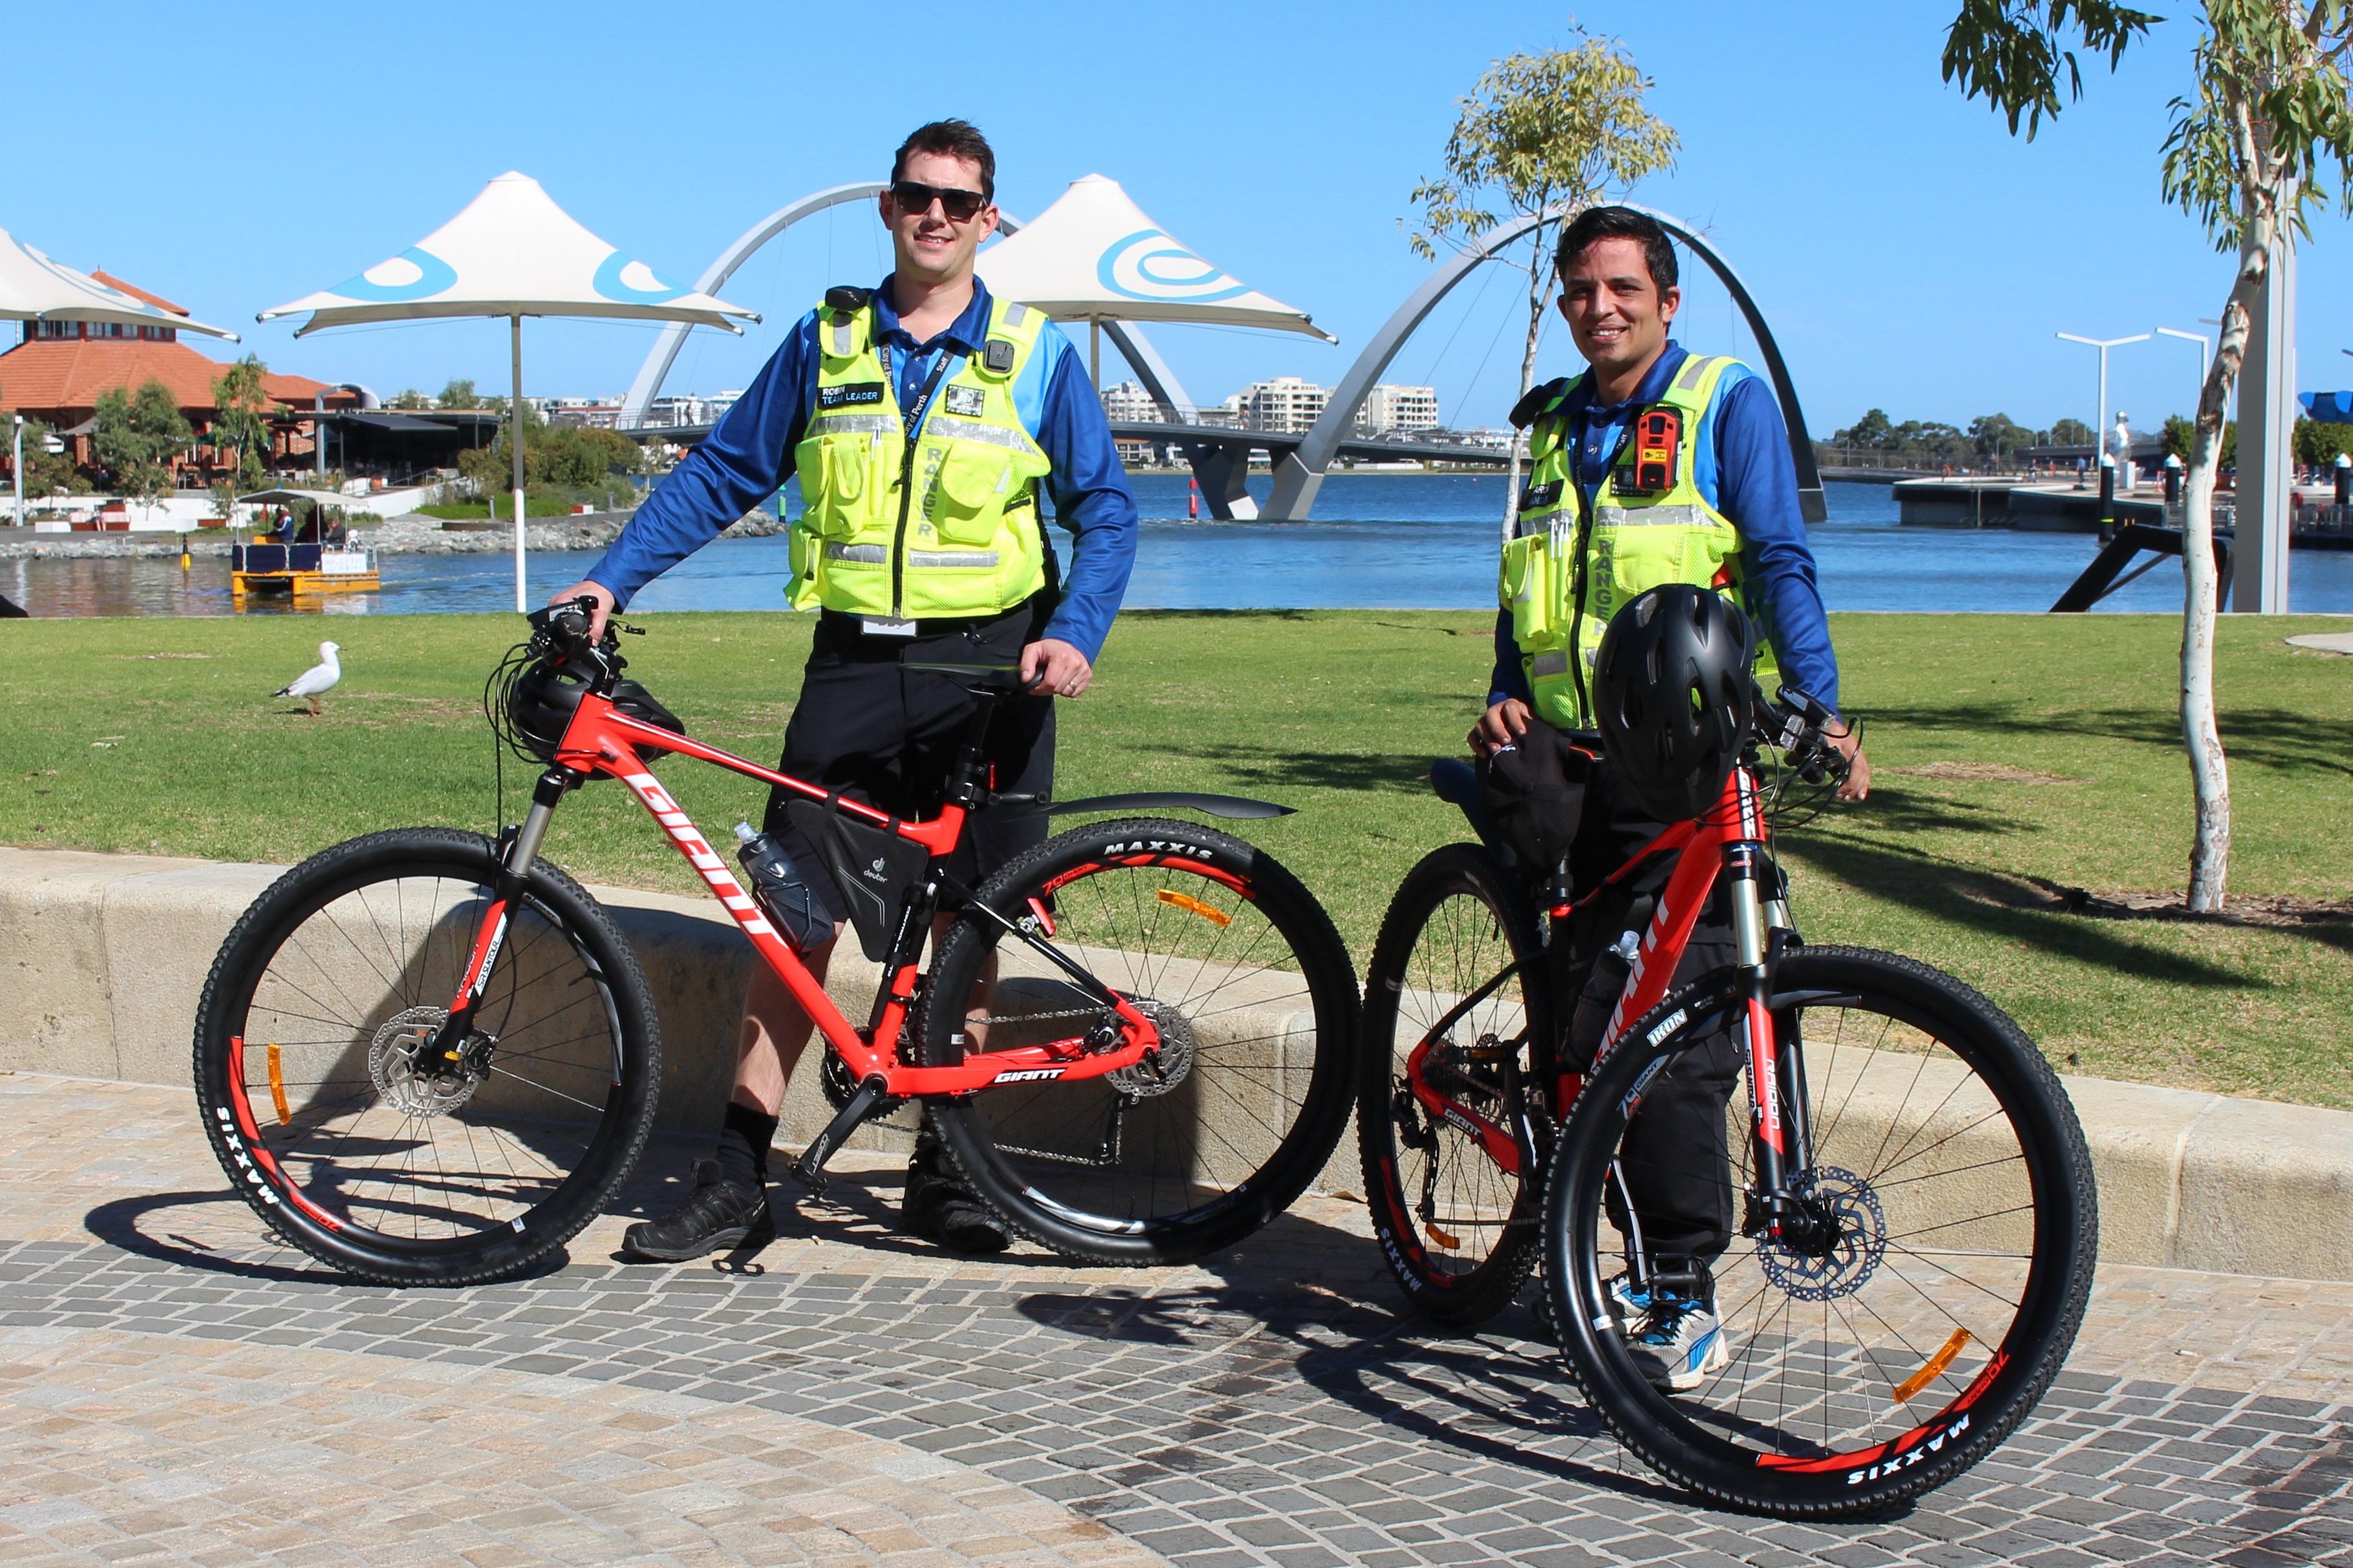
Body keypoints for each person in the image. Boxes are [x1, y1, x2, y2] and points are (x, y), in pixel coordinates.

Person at [552, 119, 1139, 1261]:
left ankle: (949, 1169)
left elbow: (1105, 508)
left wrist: (1075, 630)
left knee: (977, 919)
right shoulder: (827, 341)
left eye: (959, 203)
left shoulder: (1035, 352)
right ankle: (736, 1170)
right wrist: (610, 577)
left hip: (995, 666)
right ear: (886, 205)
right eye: (918, 196)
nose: (935, 217)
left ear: (988, 220)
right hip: (855, 666)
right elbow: (725, 469)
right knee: (792, 914)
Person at [1469, 205, 1869, 1390]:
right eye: (1581, 289)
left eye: (1622, 288)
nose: (1601, 308)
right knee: (1578, 1023)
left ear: (1668, 299)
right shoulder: (1547, 429)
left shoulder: (1721, 403)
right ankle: (1565, 1206)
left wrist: (1820, 704)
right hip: (1557, 762)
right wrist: (1500, 690)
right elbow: (1523, 584)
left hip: (1679, 771)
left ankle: (1675, 1290)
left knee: (1672, 1035)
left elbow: (1778, 558)